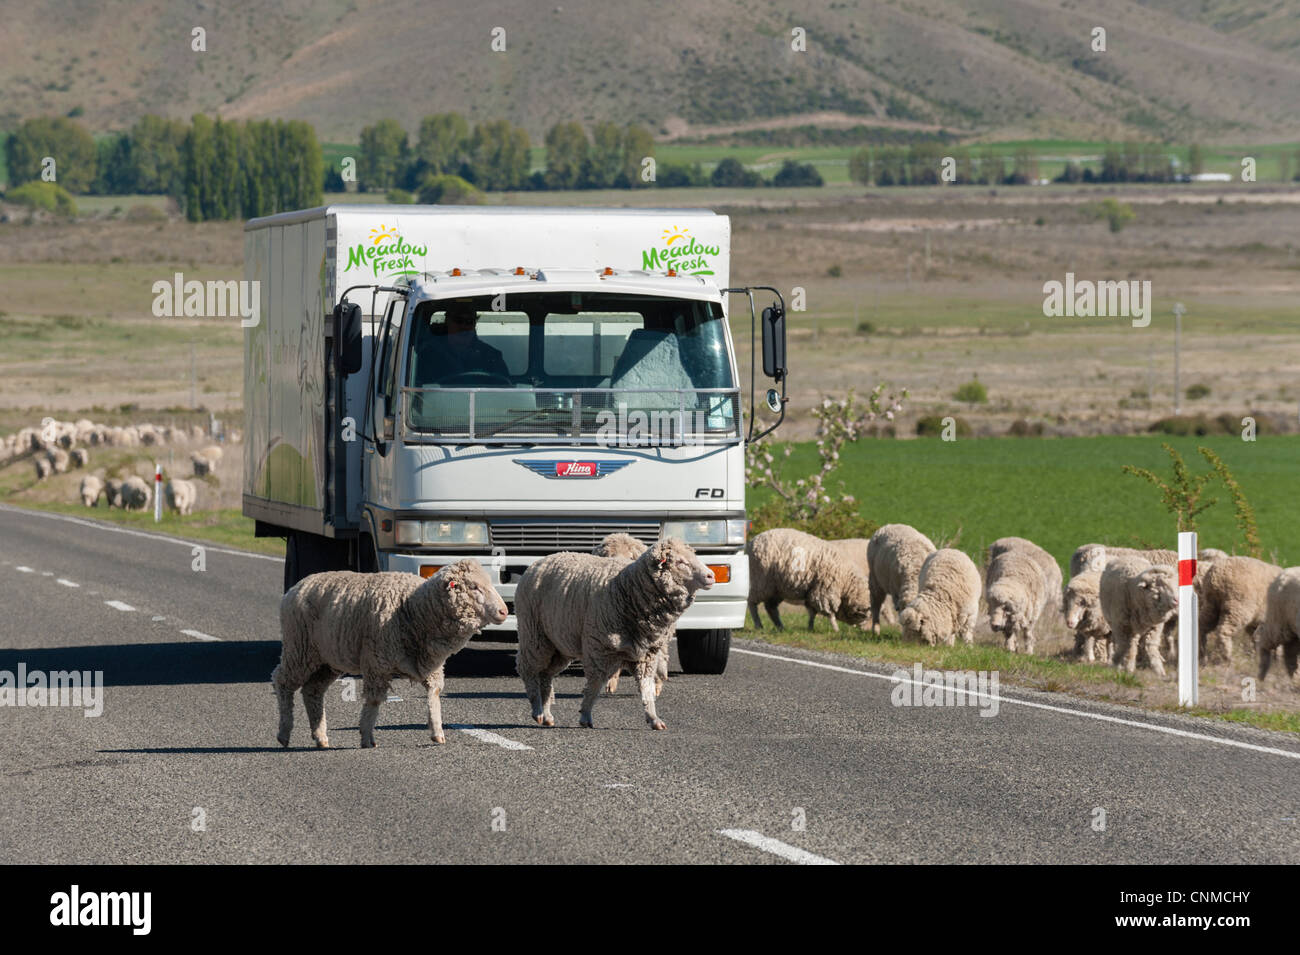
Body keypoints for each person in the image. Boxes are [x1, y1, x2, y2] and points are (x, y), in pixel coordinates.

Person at [414, 303, 510, 384]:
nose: (464, 326)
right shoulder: (429, 355)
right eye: (458, 320)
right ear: (448, 321)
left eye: (469, 321)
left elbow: (506, 389)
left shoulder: (491, 356)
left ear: (474, 324)